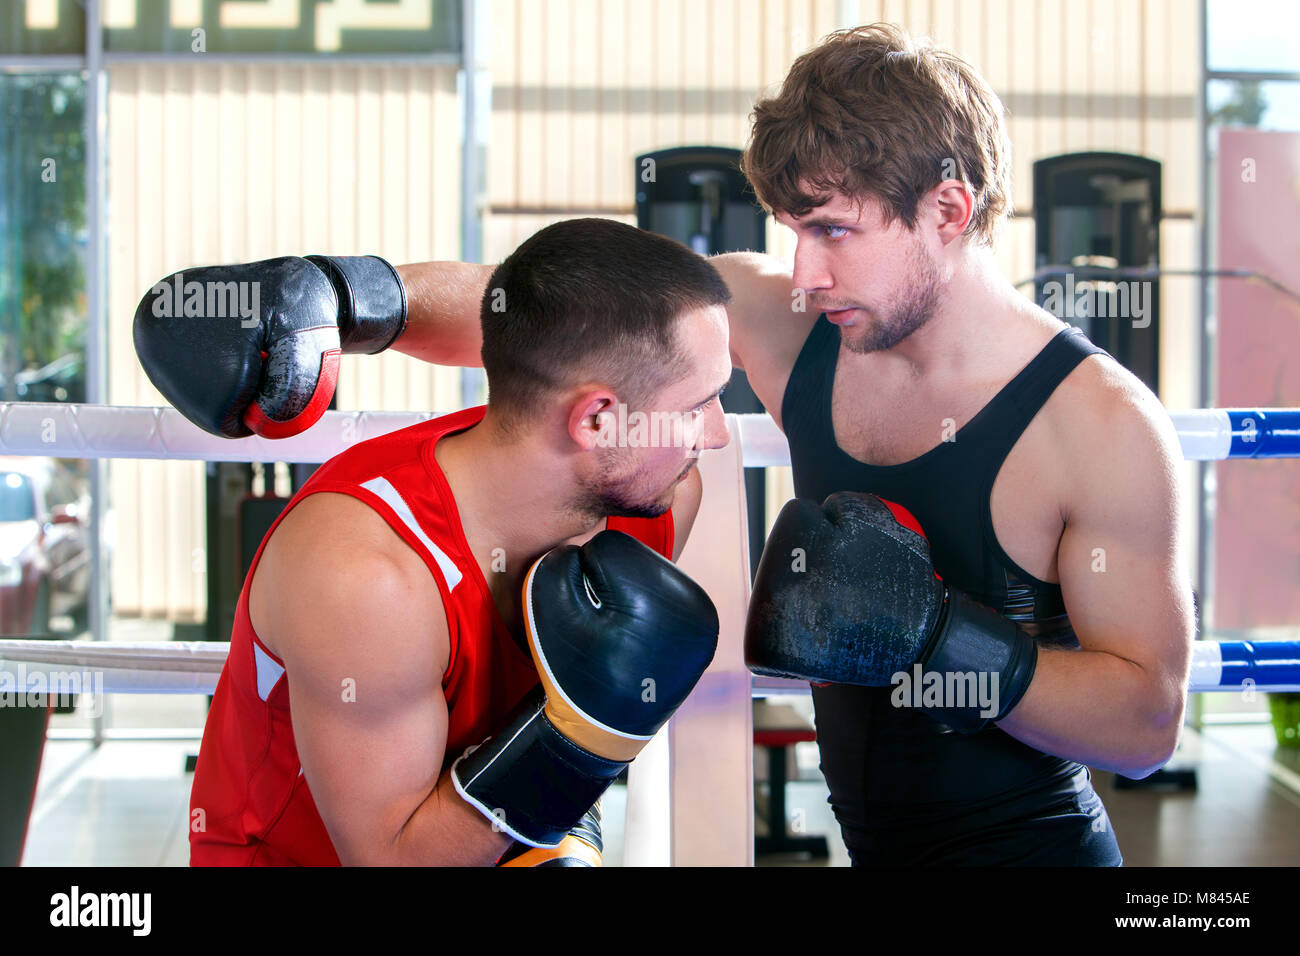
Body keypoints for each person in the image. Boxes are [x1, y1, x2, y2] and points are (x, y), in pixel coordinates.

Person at [139, 23, 1195, 866]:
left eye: (832, 228)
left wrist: (933, 637)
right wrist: (343, 298)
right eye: (793, 230)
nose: (804, 271)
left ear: (948, 210)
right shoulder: (803, 323)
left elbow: (1147, 724)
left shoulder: (1101, 426)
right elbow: (560, 310)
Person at [137, 219, 733, 865]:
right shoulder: (368, 575)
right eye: (696, 406)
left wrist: (565, 824)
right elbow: (392, 860)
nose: (719, 434)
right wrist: (583, 746)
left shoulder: (655, 499)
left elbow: (538, 313)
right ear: (595, 419)